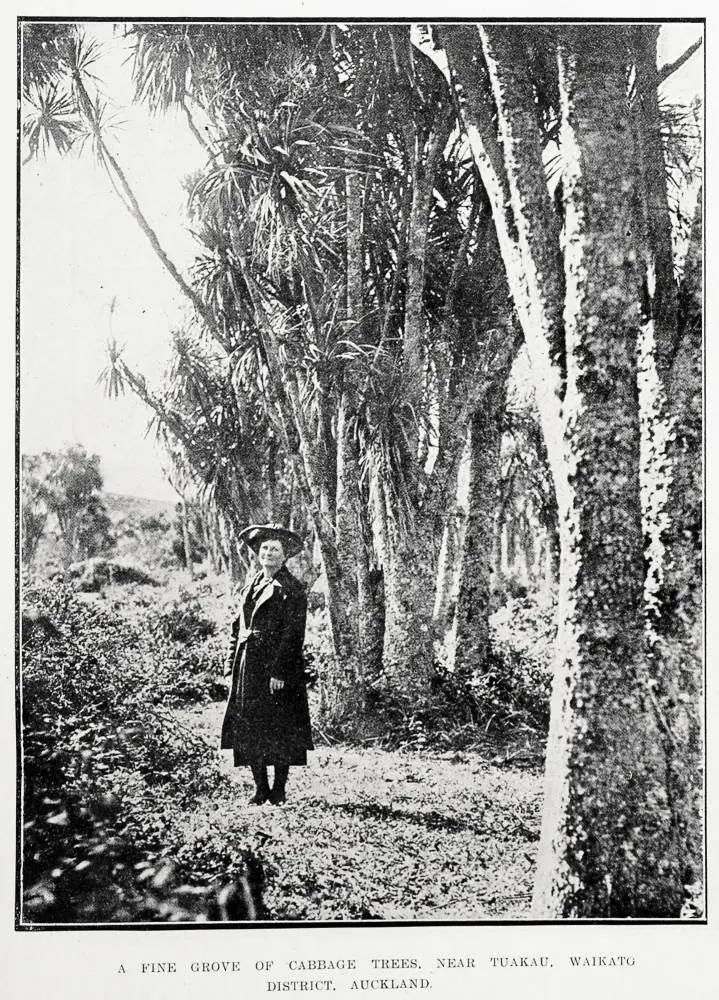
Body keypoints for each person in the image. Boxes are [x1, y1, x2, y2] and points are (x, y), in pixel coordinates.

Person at [220, 523, 313, 805]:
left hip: (275, 667)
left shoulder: (292, 589)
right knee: (249, 725)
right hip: (248, 664)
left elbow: (293, 634)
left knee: (280, 725)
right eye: (264, 548)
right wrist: (230, 663)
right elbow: (237, 626)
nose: (268, 553)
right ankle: (260, 788)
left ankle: (279, 789)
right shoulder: (252, 584)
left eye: (274, 549)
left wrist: (280, 671)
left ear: (284, 556)